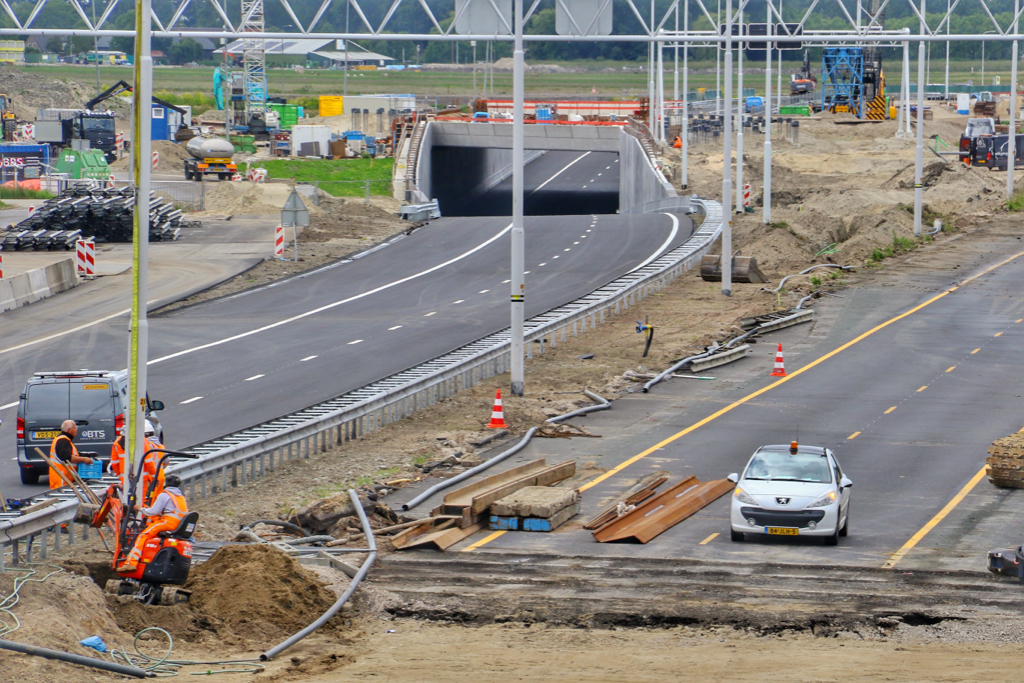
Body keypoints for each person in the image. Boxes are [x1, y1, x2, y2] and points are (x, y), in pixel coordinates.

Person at [116, 474, 188, 574]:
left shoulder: (165, 495)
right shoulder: (180, 497)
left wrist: (140, 508)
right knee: (151, 532)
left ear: (166, 484)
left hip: (168, 522)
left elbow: (153, 512)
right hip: (178, 525)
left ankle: (131, 563)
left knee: (143, 535)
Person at [49, 420, 95, 489]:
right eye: (75, 428)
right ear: (69, 430)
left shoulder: (62, 439)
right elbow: (67, 457)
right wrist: (84, 459)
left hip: (62, 477)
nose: (76, 429)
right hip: (62, 478)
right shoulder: (63, 440)